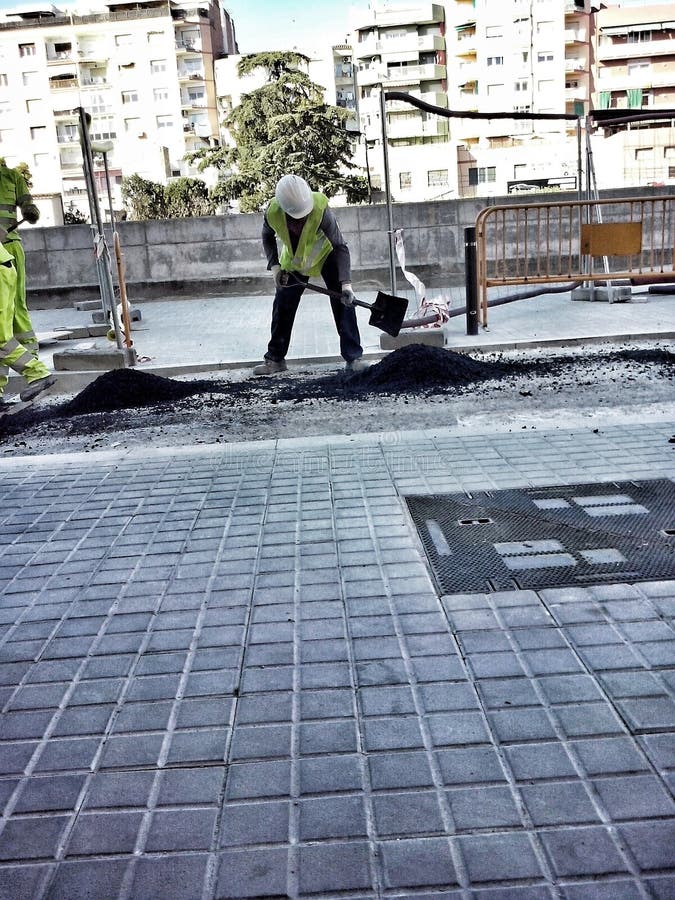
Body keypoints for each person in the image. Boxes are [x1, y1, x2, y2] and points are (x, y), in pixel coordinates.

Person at [253, 174, 368, 376]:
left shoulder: (320, 208)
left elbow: (340, 246)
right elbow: (266, 236)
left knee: (344, 302)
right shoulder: (272, 212)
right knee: (282, 304)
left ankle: (353, 358)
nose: (300, 223)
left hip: (325, 254)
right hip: (295, 260)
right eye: (295, 220)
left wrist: (346, 285)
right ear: (285, 212)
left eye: (304, 217)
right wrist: (275, 267)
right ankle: (275, 359)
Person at [0, 161, 55, 404]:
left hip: (5, 256)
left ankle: (36, 370)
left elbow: (28, 206)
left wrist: (29, 210)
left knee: (3, 334)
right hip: (4, 259)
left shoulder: (12, 177)